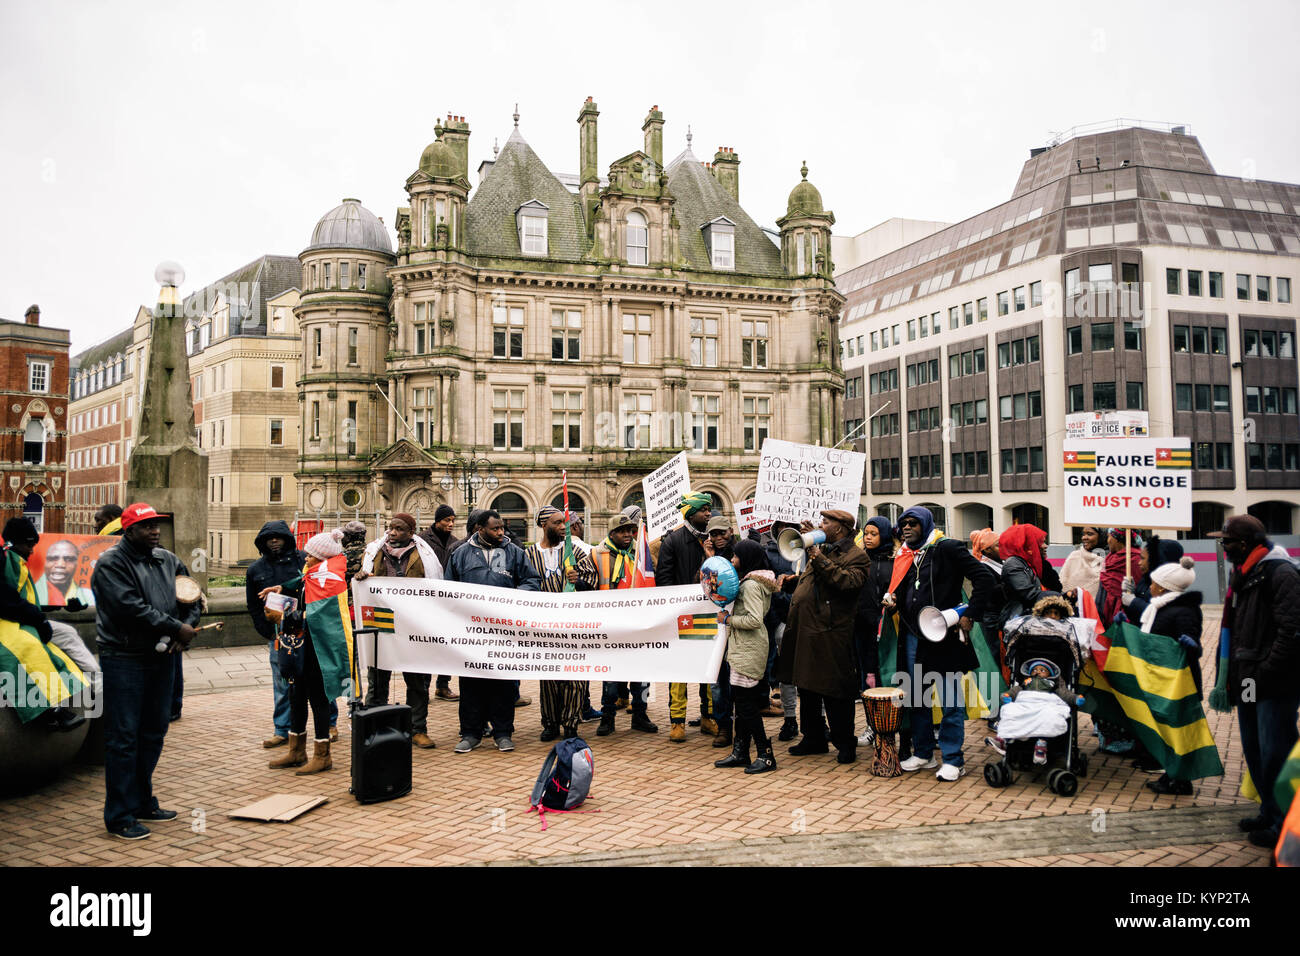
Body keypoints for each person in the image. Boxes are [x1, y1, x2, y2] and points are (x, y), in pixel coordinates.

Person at [90, 502, 201, 840]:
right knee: (123, 737)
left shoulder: (167, 559)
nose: (155, 531)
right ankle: (120, 815)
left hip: (162, 654)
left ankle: (142, 801)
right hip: (124, 657)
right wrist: (174, 627)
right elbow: (128, 607)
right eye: (146, 526)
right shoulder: (111, 563)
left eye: (156, 525)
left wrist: (188, 626)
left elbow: (192, 597)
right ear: (129, 530)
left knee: (153, 731)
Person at [890, 505, 998, 781]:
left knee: (950, 700)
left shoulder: (946, 548)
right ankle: (924, 753)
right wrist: (894, 600)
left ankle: (953, 759)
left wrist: (971, 614)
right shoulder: (906, 555)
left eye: (913, 523)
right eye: (903, 523)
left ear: (925, 525)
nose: (907, 528)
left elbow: (984, 577)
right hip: (912, 636)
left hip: (942, 637)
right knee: (917, 698)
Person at [1214, 515, 1300, 848]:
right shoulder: (1245, 574)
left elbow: (1292, 631)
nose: (1224, 548)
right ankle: (1269, 810)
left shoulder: (1281, 573)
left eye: (1227, 542)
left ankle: (1285, 824)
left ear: (1246, 544)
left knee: (1276, 749)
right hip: (1249, 680)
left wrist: (1264, 672)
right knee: (1255, 748)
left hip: (1273, 683)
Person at [775, 510, 870, 764]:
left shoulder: (857, 556)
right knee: (806, 686)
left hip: (831, 632)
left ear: (840, 528)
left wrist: (817, 555)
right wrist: (794, 582)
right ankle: (814, 737)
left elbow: (846, 582)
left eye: (826, 522)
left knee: (834, 690)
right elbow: (816, 582)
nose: (821, 525)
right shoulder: (825, 549)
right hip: (807, 629)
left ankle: (844, 742)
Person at [444, 509, 542, 753]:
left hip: (503, 632)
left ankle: (503, 732)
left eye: (502, 528)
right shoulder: (460, 554)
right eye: (495, 528)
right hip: (472, 632)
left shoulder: (515, 553)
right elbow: (447, 589)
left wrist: (515, 598)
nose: (501, 532)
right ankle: (470, 733)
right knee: (471, 682)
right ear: (480, 529)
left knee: (504, 683)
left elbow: (531, 581)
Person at [260, 530, 353, 775]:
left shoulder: (329, 578)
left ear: (322, 558)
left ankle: (322, 754)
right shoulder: (314, 574)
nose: (305, 559)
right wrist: (281, 588)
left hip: (318, 650)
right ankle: (296, 750)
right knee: (296, 696)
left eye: (310, 556)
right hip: (302, 647)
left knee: (318, 699)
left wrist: (285, 614)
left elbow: (316, 615)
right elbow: (301, 584)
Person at [355, 512, 443, 749]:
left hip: (412, 627)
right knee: (377, 681)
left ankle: (417, 729)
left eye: (399, 529)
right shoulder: (374, 552)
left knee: (417, 681)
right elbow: (360, 583)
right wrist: (362, 577)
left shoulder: (424, 556)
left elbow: (434, 587)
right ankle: (374, 727)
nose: (393, 533)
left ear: (411, 532)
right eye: (391, 528)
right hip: (381, 627)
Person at [246, 520, 336, 749]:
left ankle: (330, 724)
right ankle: (282, 729)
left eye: (279, 537)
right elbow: (254, 606)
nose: (274, 541)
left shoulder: (302, 561)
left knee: (320, 680)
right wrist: (268, 632)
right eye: (269, 538)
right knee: (284, 681)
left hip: (309, 632)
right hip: (279, 635)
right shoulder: (256, 569)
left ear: (287, 539)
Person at [1, 517, 96, 729]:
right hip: (7, 625)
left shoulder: (15, 561)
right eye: (28, 545)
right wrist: (38, 619)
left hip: (21, 621)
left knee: (68, 634)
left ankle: (96, 686)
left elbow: (26, 601)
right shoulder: (4, 559)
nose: (32, 551)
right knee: (27, 648)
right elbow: (7, 599)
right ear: (14, 542)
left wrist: (61, 606)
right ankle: (46, 710)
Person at [523, 505, 597, 741]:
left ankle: (571, 724)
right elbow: (523, 584)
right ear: (543, 525)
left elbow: (592, 579)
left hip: (573, 624)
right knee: (549, 676)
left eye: (563, 522)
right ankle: (551, 723)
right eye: (556, 523)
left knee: (575, 676)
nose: (562, 527)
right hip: (544, 626)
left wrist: (579, 580)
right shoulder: (528, 554)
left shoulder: (574, 550)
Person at [1136, 555, 1203, 796]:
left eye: (1153, 583)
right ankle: (1172, 776)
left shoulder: (1183, 611)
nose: (1149, 586)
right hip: (1164, 681)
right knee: (1168, 730)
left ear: (1163, 587)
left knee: (1178, 732)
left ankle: (1181, 780)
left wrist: (1190, 645)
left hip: (1181, 683)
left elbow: (1195, 646)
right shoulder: (1158, 608)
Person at [654, 491, 718, 743]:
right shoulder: (674, 540)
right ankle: (677, 721)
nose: (708, 513)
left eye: (709, 509)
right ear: (691, 513)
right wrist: (673, 609)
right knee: (679, 669)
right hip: (682, 615)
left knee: (708, 668)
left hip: (710, 614)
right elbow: (664, 578)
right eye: (703, 509)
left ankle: (708, 717)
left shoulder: (716, 538)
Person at [592, 509, 659, 737]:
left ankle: (640, 714)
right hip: (611, 626)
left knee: (641, 675)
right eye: (621, 531)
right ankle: (607, 717)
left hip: (639, 625)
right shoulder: (598, 556)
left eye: (629, 530)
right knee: (611, 677)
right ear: (611, 533)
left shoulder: (641, 555)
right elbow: (589, 585)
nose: (627, 535)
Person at [715, 539, 779, 773]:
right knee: (742, 704)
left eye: (735, 556)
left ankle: (765, 754)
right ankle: (740, 751)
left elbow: (754, 620)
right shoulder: (754, 582)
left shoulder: (751, 585)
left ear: (747, 558)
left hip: (748, 649)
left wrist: (728, 620)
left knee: (746, 704)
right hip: (744, 648)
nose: (732, 560)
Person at [418, 506, 460, 702]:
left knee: (448, 646)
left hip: (448, 601)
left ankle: (443, 685)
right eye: (446, 520)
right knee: (427, 647)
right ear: (437, 520)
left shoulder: (455, 542)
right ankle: (424, 688)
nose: (450, 524)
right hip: (427, 601)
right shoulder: (421, 540)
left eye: (452, 520)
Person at [763, 520, 800, 741]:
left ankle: (819, 721)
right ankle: (790, 719)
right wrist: (779, 621)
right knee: (787, 674)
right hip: (782, 620)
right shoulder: (769, 553)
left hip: (808, 620)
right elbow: (770, 588)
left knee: (814, 674)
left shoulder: (810, 550)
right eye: (781, 524)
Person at [705, 515, 738, 749]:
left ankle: (742, 725)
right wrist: (709, 559)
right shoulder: (709, 557)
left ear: (730, 531)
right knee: (718, 680)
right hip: (716, 626)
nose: (719, 538)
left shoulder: (740, 554)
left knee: (738, 681)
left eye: (722, 533)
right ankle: (723, 726)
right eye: (714, 534)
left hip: (737, 627)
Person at [1098, 529, 1141, 626]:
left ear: (1117, 539)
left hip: (1126, 615)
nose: (1107, 540)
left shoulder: (1135, 559)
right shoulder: (1109, 559)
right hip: (1105, 610)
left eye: (1109, 536)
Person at [35, 539, 90, 608]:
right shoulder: (32, 593)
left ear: (77, 564)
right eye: (53, 558)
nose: (60, 565)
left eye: (69, 559)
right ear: (45, 563)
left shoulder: (90, 597)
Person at [1060, 526, 1105, 597]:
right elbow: (1063, 584)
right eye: (1083, 534)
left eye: (1090, 534)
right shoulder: (1074, 556)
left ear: (1101, 536)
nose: (1084, 537)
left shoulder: (1110, 559)